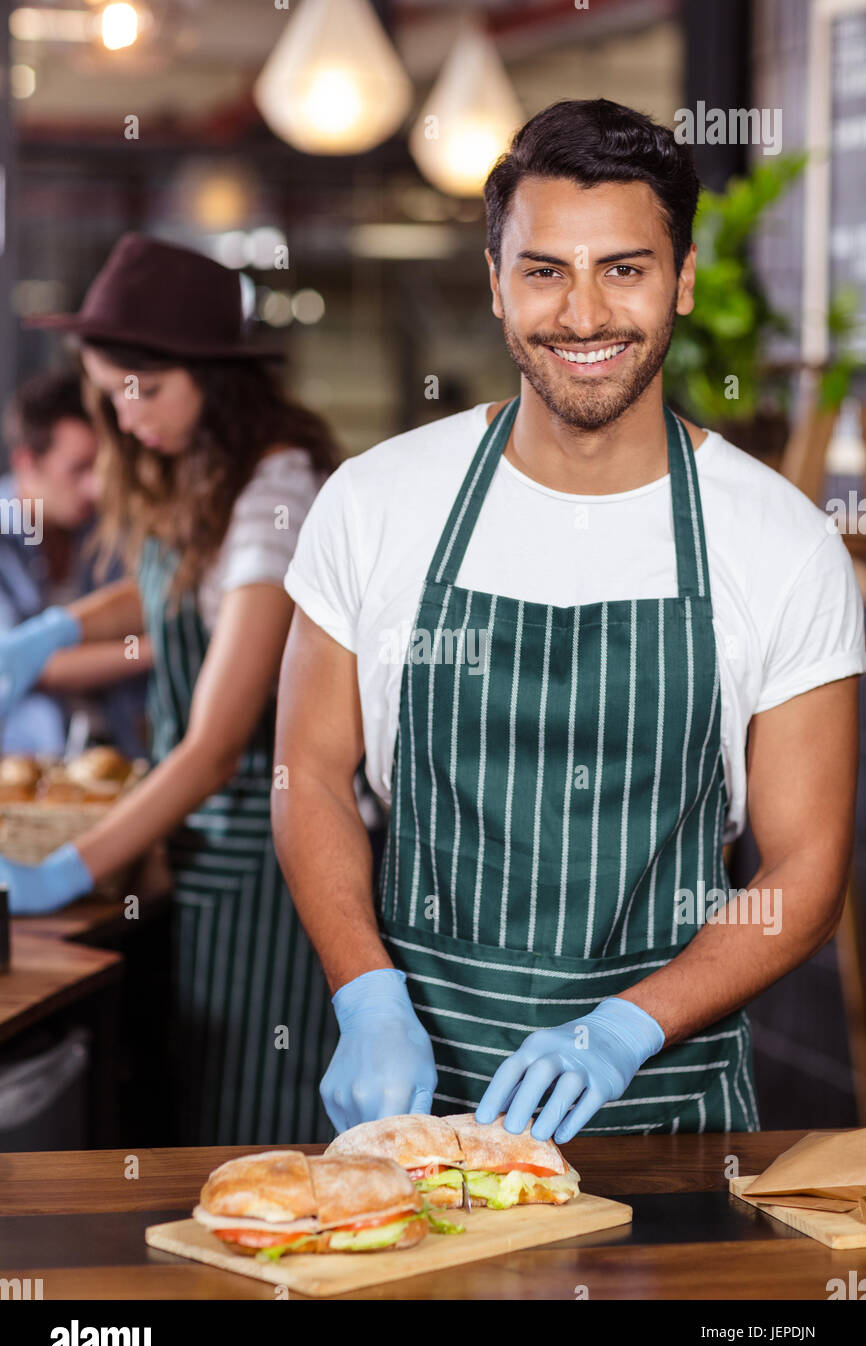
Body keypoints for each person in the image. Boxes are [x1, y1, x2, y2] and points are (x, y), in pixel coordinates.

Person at [273, 99, 866, 1140]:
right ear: (495, 283)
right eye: (543, 270)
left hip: (668, 1113)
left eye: (623, 269)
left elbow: (805, 866)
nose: (581, 315)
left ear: (678, 280)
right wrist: (364, 993)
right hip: (414, 1116)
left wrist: (626, 1027)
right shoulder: (375, 504)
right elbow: (308, 774)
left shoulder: (781, 542)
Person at [0, 233, 340, 1145]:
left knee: (257, 1126)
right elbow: (170, 590)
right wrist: (49, 634)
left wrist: (65, 871)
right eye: (112, 394)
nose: (128, 413)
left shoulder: (277, 489)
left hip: (270, 862)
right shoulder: (203, 474)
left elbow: (215, 742)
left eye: (143, 388)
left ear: (210, 374)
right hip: (204, 857)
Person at [0, 369, 148, 758]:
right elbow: (23, 664)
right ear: (27, 462)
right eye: (78, 468)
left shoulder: (105, 529)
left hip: (117, 755)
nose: (95, 487)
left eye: (100, 467)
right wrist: (157, 649)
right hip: (23, 771)